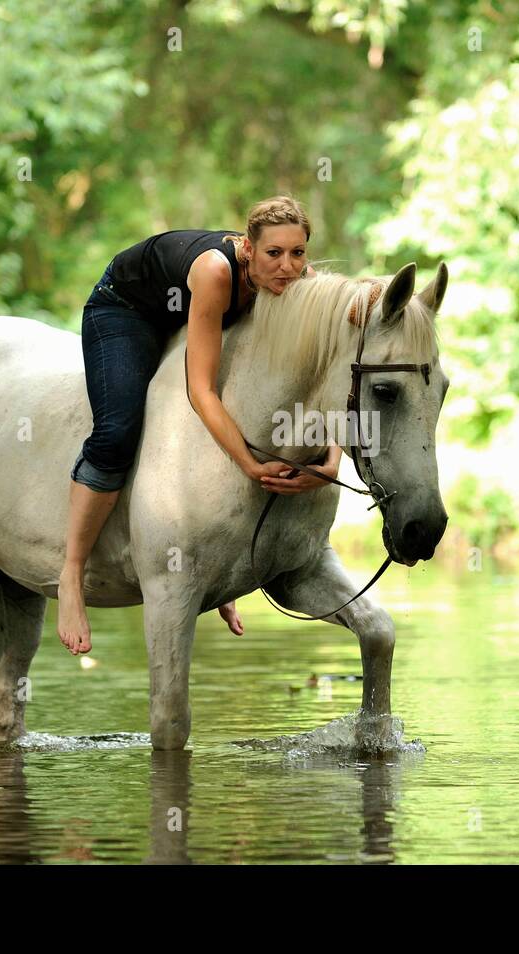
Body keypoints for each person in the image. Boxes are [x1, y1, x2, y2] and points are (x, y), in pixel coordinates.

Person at [58, 195, 340, 655]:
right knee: (117, 432)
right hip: (125, 309)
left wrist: (330, 460)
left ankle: (220, 582)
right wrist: (250, 466)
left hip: (188, 312)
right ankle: (71, 574)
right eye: (274, 253)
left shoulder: (298, 284)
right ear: (248, 249)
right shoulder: (216, 272)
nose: (287, 267)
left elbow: (320, 382)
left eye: (298, 253)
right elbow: (201, 391)